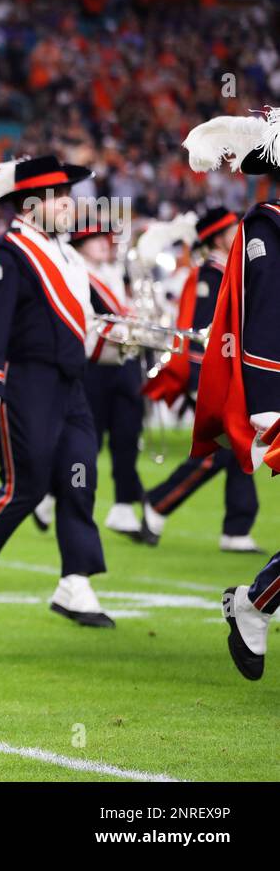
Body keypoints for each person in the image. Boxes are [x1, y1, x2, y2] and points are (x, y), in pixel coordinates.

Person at [0, 156, 114, 628]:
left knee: (81, 475)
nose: (67, 205)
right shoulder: (7, 251)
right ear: (30, 203)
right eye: (57, 197)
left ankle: (76, 581)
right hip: (24, 382)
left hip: (69, 384)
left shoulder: (69, 255)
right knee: (26, 485)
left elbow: (82, 321)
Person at [177, 106, 280, 678]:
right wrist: (266, 402)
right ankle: (255, 602)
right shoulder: (267, 225)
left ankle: (254, 601)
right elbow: (263, 319)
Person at [141, 209, 259, 551]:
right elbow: (201, 335)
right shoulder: (210, 275)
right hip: (214, 377)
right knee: (218, 452)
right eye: (230, 230)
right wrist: (197, 380)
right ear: (216, 237)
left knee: (241, 448)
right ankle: (160, 502)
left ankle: (238, 527)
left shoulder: (230, 271)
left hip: (234, 375)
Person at [72, 224, 145, 538]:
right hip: (93, 364)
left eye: (105, 238)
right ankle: (60, 492)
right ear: (80, 243)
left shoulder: (114, 272)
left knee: (128, 433)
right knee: (88, 438)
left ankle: (124, 504)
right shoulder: (73, 272)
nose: (104, 244)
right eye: (95, 239)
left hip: (124, 362)